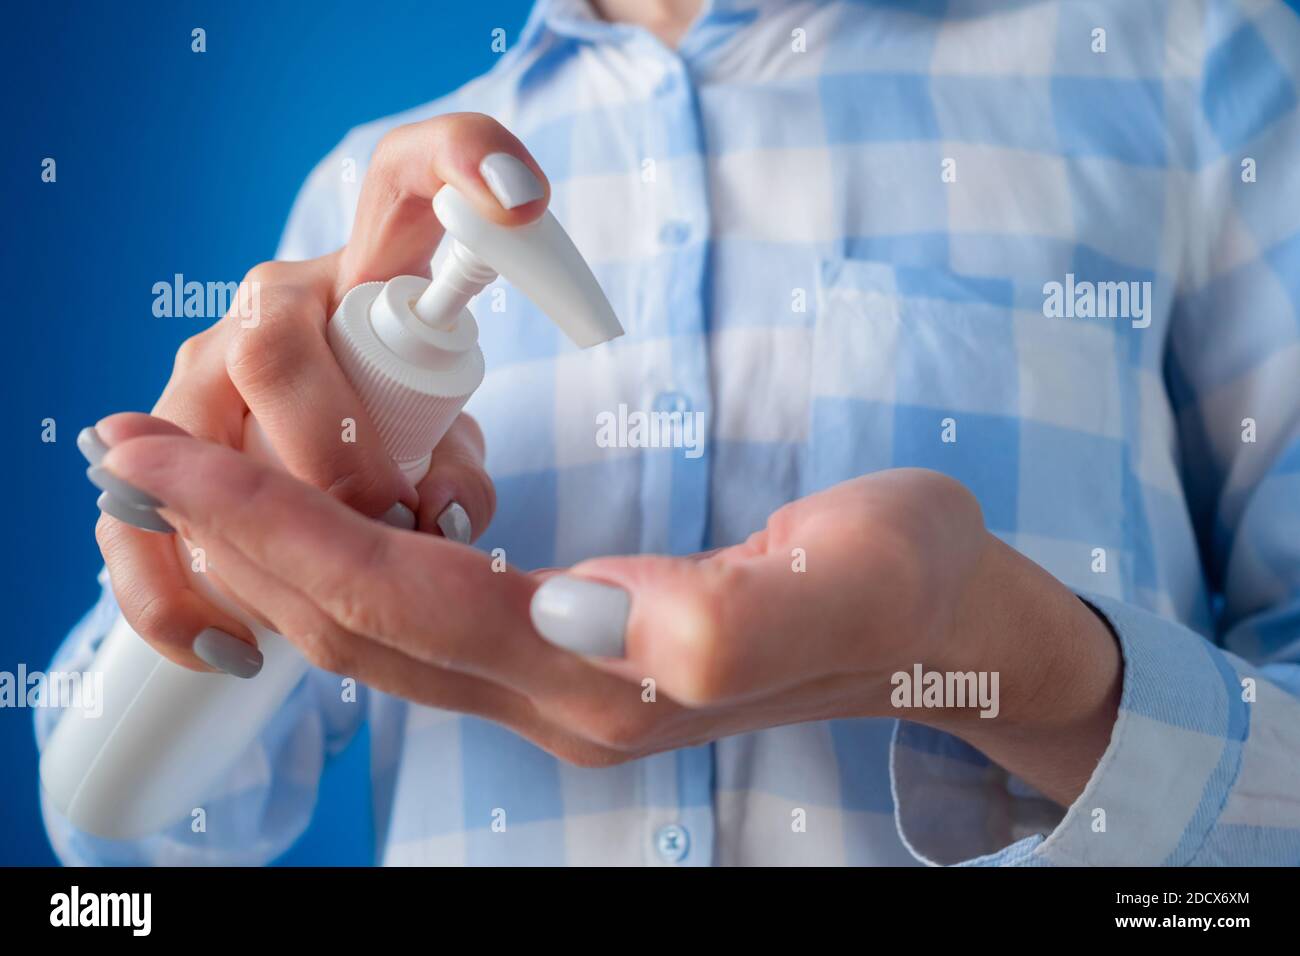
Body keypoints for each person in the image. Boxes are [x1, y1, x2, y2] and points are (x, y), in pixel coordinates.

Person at [39, 0, 1300, 865]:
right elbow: (128, 845)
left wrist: (1020, 669)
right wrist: (219, 549)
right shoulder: (362, 199)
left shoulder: (1179, 66)